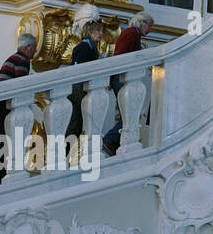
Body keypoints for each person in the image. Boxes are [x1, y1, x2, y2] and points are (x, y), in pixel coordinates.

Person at [102, 12, 154, 156]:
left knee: (128, 112)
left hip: (118, 77)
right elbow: (120, 57)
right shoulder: (132, 34)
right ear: (142, 23)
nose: (150, 30)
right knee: (129, 113)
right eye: (149, 26)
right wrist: (111, 76)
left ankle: (114, 143)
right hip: (120, 77)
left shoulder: (130, 33)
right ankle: (109, 139)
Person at [0, 34, 37, 186]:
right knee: (9, 142)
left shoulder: (13, 58)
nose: (35, 51)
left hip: (1, 105)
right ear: (28, 47)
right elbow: (21, 87)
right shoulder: (22, 60)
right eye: (34, 47)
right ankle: (0, 177)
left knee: (4, 142)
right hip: (8, 107)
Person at [65, 19, 104, 156]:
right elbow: (80, 69)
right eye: (98, 31)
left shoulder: (90, 47)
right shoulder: (84, 47)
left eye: (101, 31)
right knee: (82, 122)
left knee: (76, 125)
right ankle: (63, 154)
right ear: (90, 32)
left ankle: (63, 155)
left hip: (79, 88)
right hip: (79, 88)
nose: (101, 33)